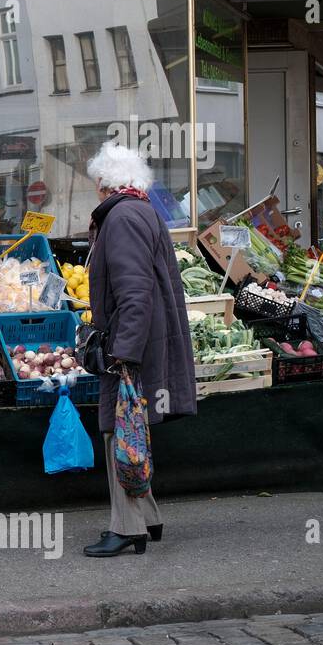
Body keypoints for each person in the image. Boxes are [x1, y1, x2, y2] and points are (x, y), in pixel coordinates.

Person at [81, 143, 196, 557]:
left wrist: (122, 353)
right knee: (134, 429)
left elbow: (134, 293)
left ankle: (127, 527)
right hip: (143, 340)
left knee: (120, 432)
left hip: (132, 346)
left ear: (104, 183)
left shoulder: (123, 218)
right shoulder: (142, 209)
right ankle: (148, 516)